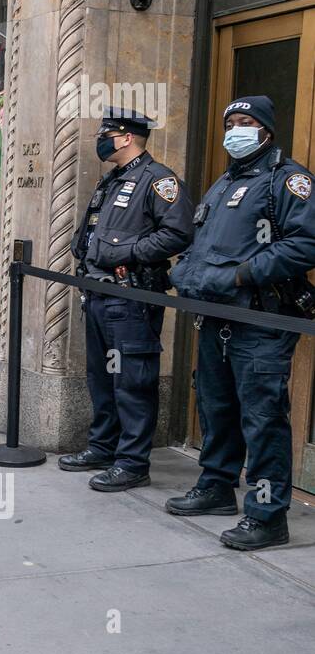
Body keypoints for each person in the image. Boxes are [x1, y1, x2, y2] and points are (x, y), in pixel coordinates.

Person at [168, 95, 315, 550]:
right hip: (216, 316)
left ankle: (269, 515)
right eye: (230, 120)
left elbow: (305, 243)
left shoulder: (289, 181)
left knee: (263, 417)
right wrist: (186, 271)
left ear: (267, 129)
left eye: (246, 121)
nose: (236, 128)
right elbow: (203, 239)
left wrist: (241, 274)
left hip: (263, 318)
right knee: (216, 405)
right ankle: (216, 486)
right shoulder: (225, 181)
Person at [61, 110, 193, 491]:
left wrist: (125, 252)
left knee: (133, 382)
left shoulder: (159, 180)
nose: (101, 140)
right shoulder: (111, 180)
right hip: (100, 294)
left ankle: (133, 463)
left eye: (107, 134)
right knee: (101, 378)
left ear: (126, 138)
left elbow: (178, 235)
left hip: (132, 297)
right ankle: (102, 447)